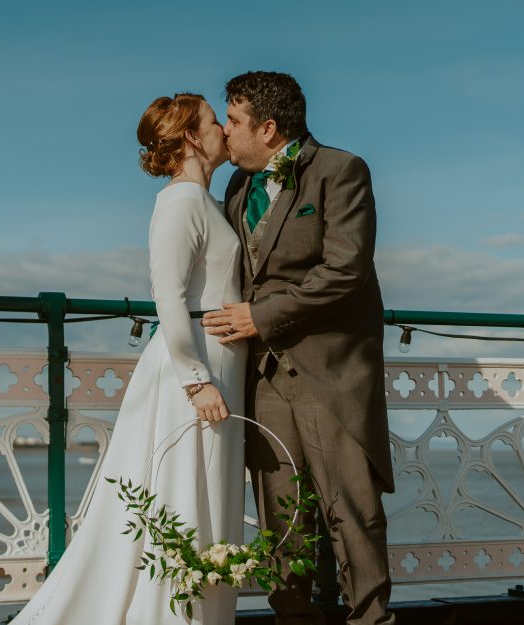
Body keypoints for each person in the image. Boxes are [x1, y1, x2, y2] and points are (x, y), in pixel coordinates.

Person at [10, 93, 247, 625]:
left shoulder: (208, 200)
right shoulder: (180, 203)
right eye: (215, 122)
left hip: (221, 361)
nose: (225, 132)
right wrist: (196, 380)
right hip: (196, 369)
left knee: (210, 495)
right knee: (184, 494)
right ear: (190, 136)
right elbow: (168, 298)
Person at [203, 71, 396, 625]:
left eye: (233, 121)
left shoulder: (341, 172)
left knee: (352, 511)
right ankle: (293, 618)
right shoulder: (237, 188)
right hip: (261, 377)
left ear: (267, 128)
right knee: (280, 519)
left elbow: (346, 270)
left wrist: (259, 316)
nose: (225, 130)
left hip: (330, 371)